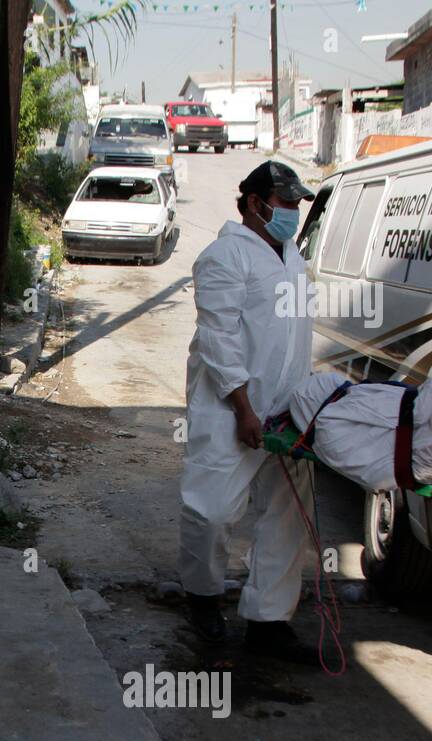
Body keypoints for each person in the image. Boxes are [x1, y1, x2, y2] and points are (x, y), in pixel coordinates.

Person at [179, 160, 323, 664]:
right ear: (257, 204)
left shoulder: (292, 258)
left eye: (297, 205)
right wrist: (243, 408)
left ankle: (269, 620)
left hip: (287, 411)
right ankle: (202, 596)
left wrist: (304, 405)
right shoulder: (224, 257)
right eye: (286, 204)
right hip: (230, 411)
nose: (293, 213)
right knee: (211, 509)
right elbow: (219, 339)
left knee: (286, 518)